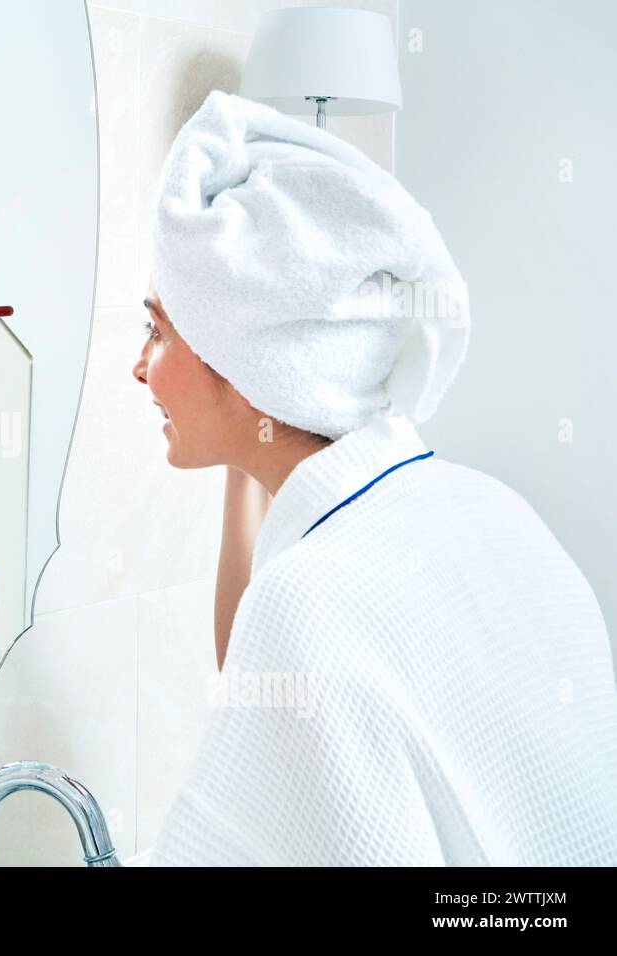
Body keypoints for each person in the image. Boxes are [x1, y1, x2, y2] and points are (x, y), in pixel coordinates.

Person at [136, 90, 617, 865]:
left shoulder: (310, 595)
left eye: (156, 330)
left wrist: (258, 403)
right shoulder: (486, 507)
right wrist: (254, 425)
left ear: (244, 365)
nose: (139, 367)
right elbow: (260, 678)